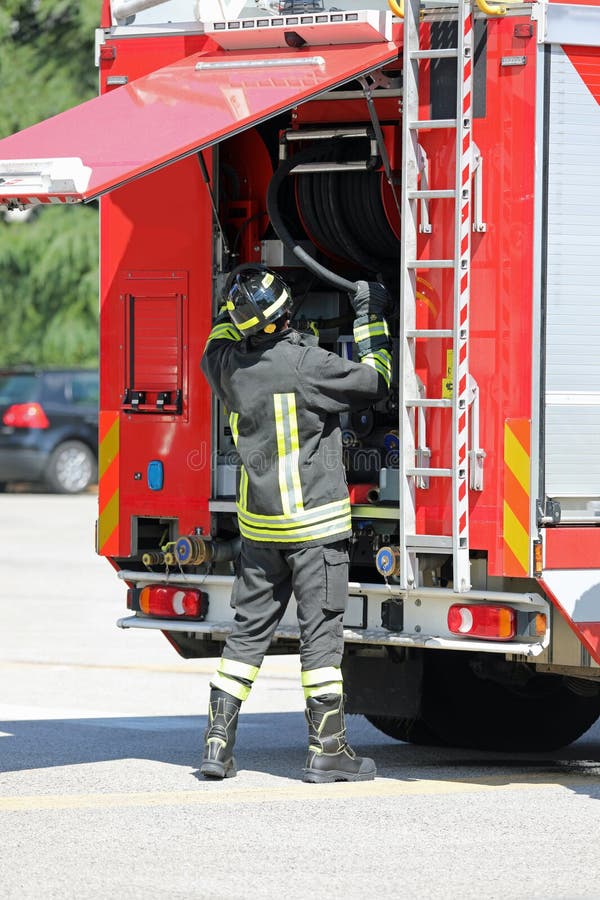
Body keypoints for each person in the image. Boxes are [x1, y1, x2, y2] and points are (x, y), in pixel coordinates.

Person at [200, 266, 392, 783]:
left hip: (260, 531)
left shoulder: (223, 365)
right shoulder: (308, 364)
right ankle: (327, 750)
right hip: (314, 530)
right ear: (285, 315)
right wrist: (370, 316)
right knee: (321, 640)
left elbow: (220, 334)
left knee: (246, 637)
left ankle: (217, 745)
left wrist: (230, 303)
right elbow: (377, 378)